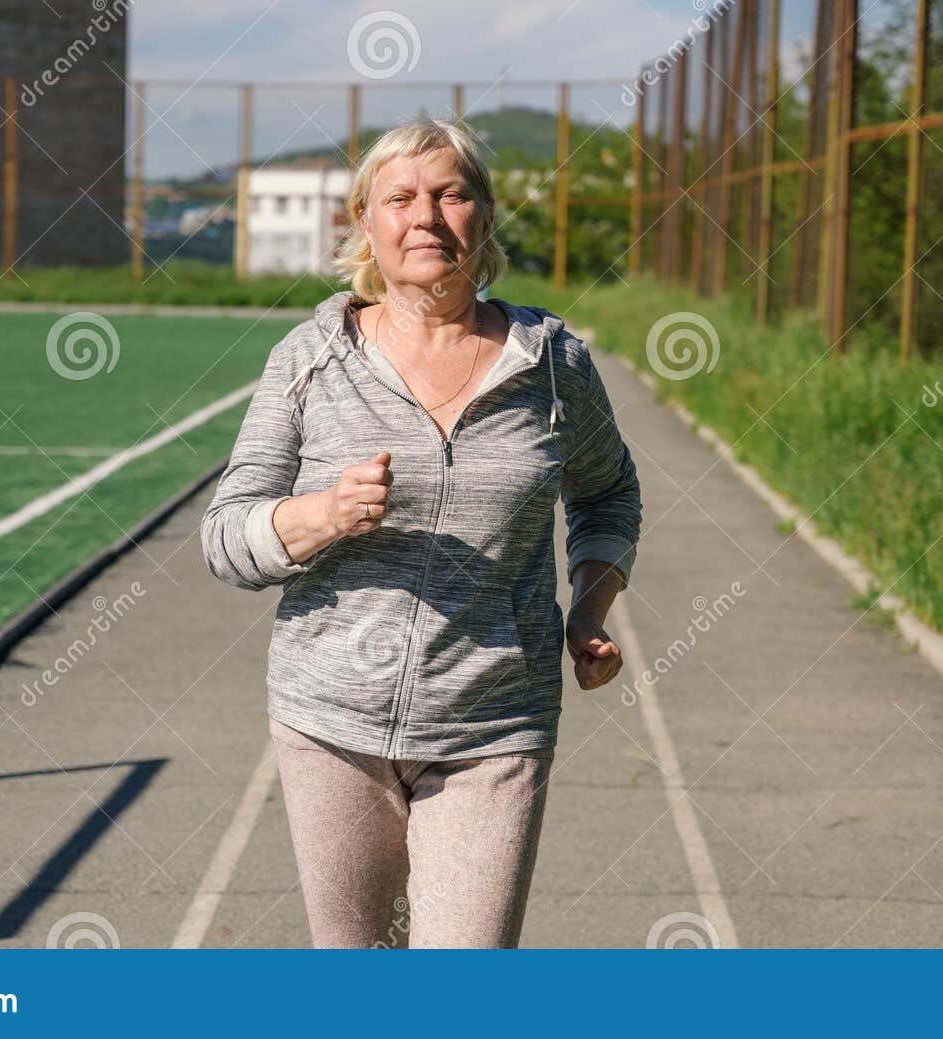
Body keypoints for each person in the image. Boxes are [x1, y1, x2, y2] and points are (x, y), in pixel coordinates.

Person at [199, 117, 642, 948]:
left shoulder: (553, 363)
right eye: (400, 197)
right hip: (330, 725)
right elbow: (226, 536)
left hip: (493, 728)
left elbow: (609, 494)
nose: (427, 217)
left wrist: (589, 605)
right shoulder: (309, 358)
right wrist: (320, 515)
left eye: (452, 194)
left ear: (484, 216)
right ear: (366, 222)